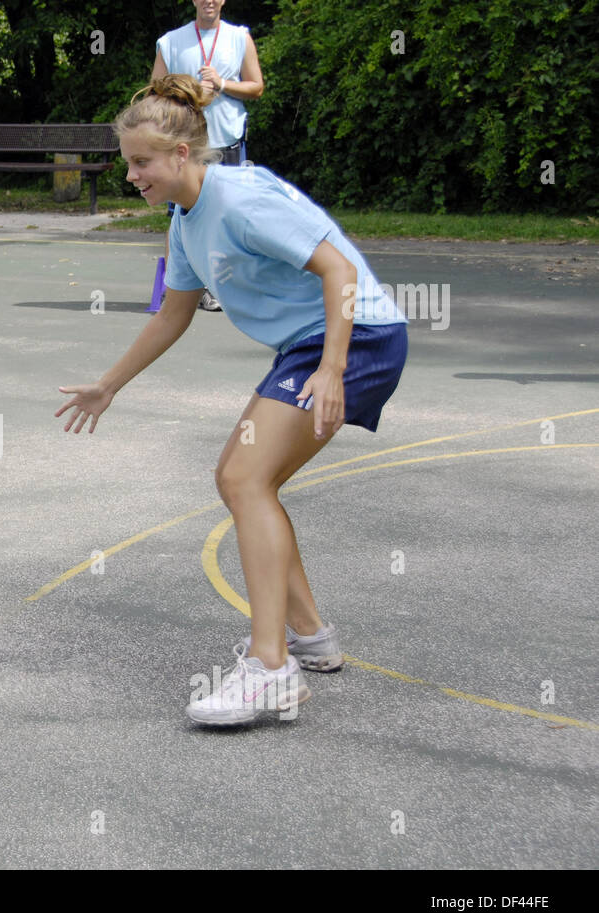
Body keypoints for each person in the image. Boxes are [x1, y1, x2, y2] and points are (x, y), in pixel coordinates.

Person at [55, 75, 408, 727]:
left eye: (142, 162)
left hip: (359, 338)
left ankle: (272, 668)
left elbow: (341, 270)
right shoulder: (184, 220)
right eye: (128, 162)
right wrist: (110, 384)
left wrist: (333, 368)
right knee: (242, 480)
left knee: (246, 478)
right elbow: (172, 315)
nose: (132, 175)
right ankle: (307, 636)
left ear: (182, 155)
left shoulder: (241, 199)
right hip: (313, 347)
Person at [152, 0, 264, 311]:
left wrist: (222, 84)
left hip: (225, 141)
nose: (209, 1)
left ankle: (218, 288)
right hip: (184, 145)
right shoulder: (171, 41)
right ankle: (174, 291)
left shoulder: (239, 38)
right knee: (180, 216)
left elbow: (256, 87)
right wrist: (192, 94)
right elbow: (155, 92)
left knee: (224, 217)